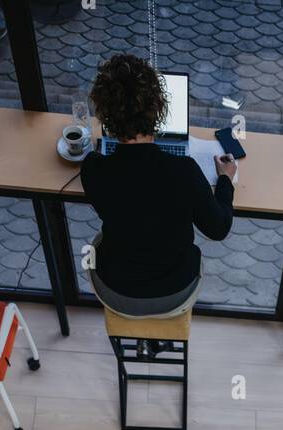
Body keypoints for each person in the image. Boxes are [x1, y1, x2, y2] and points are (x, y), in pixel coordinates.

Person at [80, 53, 236, 321]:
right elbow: (218, 228)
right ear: (158, 110)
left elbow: (133, 202)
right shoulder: (183, 170)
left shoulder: (93, 169)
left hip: (115, 290)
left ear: (104, 114)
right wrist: (225, 181)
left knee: (103, 239)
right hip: (175, 291)